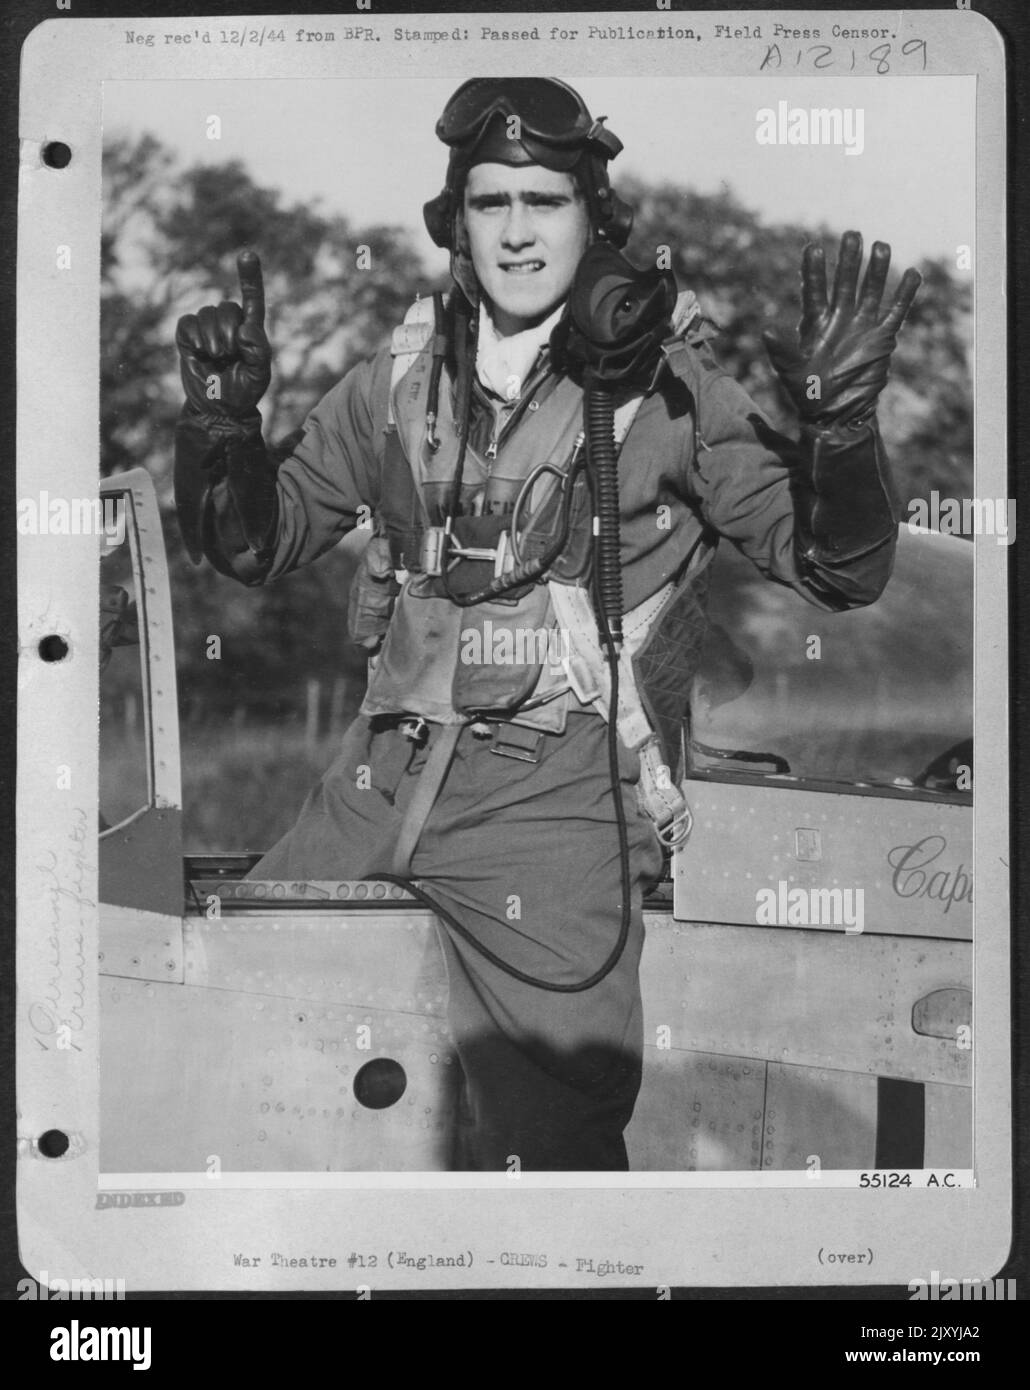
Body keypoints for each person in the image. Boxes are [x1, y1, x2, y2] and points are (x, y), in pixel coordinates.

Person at [173, 77, 921, 1172]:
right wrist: (219, 427)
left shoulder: (670, 391)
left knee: (553, 1150)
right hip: (378, 778)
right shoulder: (397, 374)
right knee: (223, 1027)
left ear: (594, 218)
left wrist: (842, 432)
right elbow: (255, 543)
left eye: (544, 200)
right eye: (489, 202)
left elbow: (841, 568)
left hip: (554, 803)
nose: (517, 231)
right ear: (456, 222)